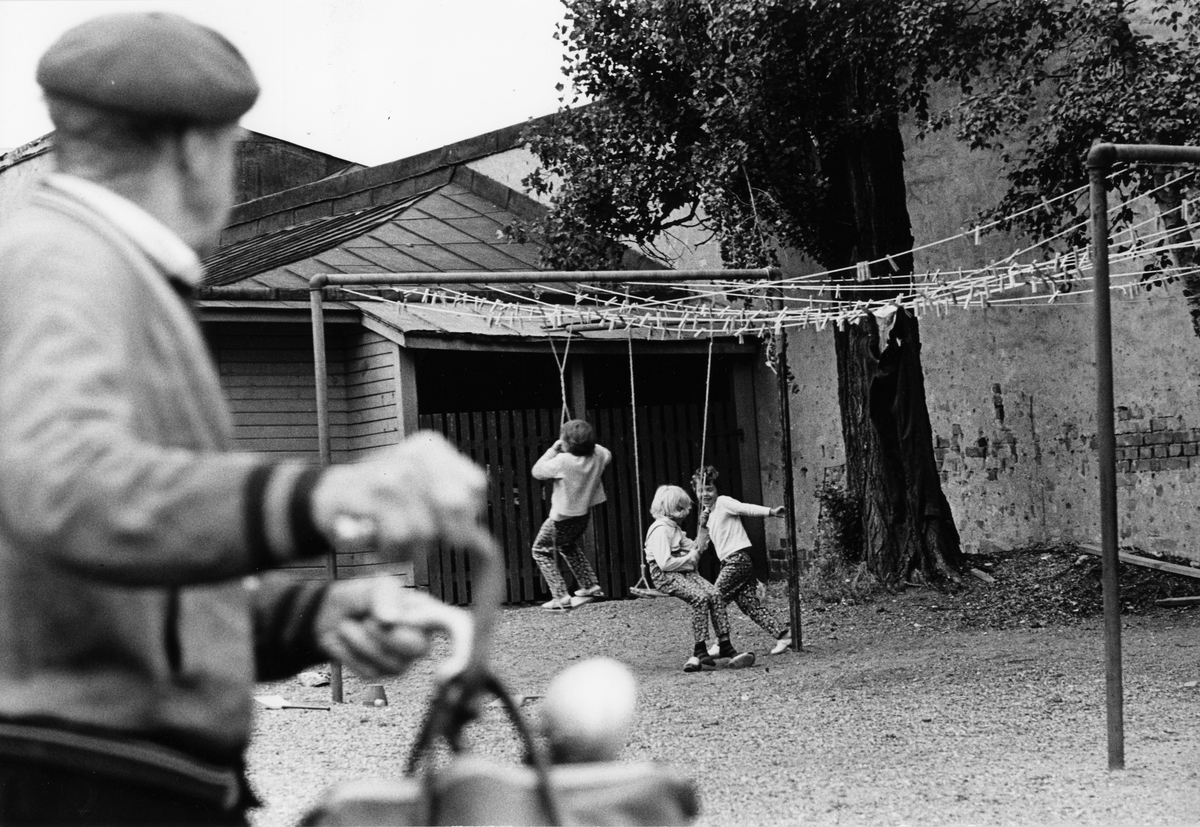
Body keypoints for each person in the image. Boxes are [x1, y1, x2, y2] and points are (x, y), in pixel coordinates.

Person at [0, 13, 488, 826]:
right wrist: (326, 496)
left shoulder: (85, 264)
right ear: (197, 151)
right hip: (85, 783)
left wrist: (311, 617)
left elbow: (118, 582)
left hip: (103, 771)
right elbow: (68, 488)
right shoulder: (62, 261)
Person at [644, 485, 755, 673]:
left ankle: (725, 644)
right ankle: (700, 648)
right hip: (665, 575)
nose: (687, 512)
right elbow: (664, 564)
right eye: (684, 508)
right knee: (700, 598)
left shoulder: (675, 528)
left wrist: (704, 528)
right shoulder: (660, 530)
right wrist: (689, 559)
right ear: (674, 508)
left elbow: (697, 547)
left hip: (682, 571)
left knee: (715, 594)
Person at [692, 466, 793, 656]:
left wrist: (770, 512)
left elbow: (745, 508)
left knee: (715, 597)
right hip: (729, 562)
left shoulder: (723, 502)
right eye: (700, 490)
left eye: (709, 489)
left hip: (737, 559)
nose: (705, 494)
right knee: (750, 605)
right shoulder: (707, 513)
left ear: (717, 490)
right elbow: (701, 545)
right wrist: (702, 525)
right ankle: (784, 635)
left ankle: (720, 643)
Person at [530, 419, 612, 611]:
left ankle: (560, 596)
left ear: (566, 443)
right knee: (567, 545)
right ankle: (590, 585)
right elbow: (606, 454)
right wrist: (589, 445)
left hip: (561, 518)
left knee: (540, 550)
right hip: (582, 516)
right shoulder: (598, 454)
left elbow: (537, 471)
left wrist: (553, 450)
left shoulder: (562, 461)